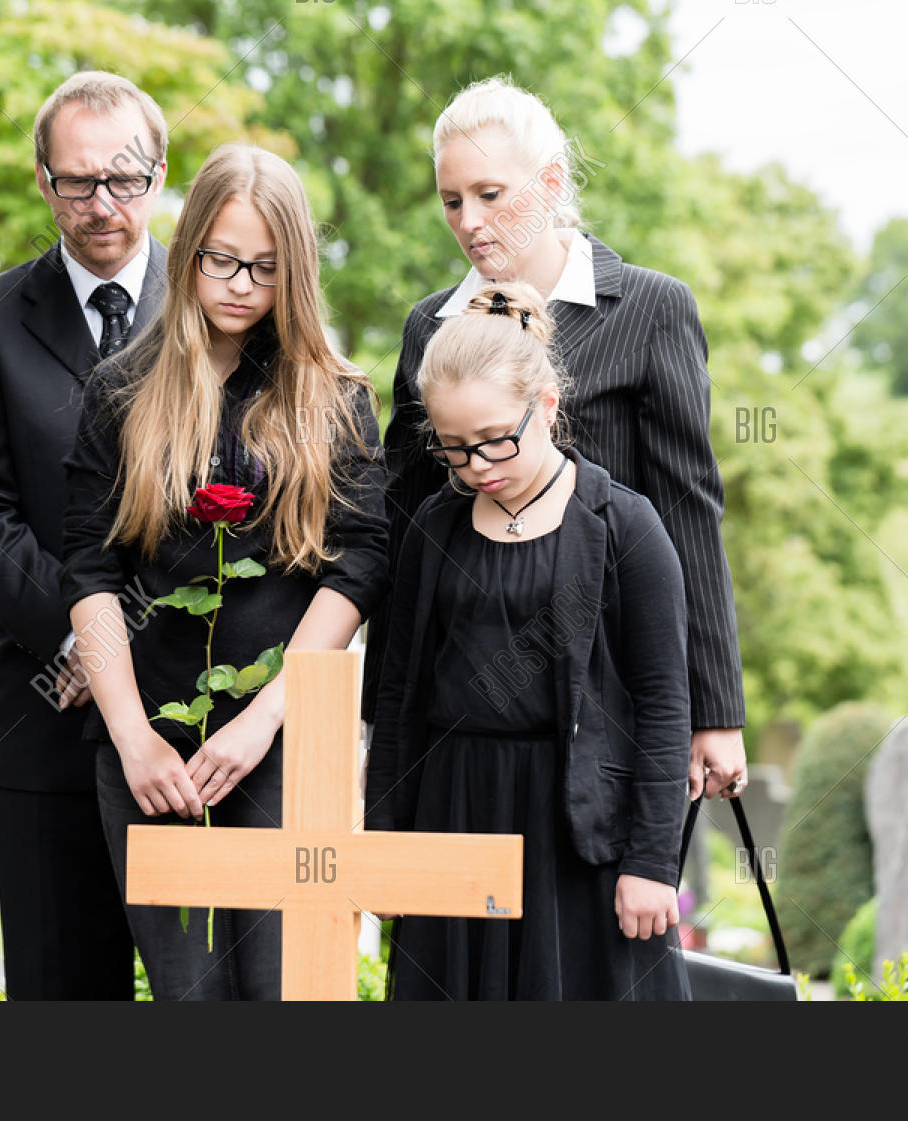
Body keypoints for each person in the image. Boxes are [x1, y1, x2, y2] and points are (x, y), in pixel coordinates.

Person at [59, 143, 389, 1000]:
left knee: (288, 991)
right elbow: (89, 571)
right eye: (223, 260)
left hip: (283, 744)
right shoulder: (120, 390)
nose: (242, 283)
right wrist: (133, 736)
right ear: (188, 250)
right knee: (189, 997)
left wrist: (266, 720)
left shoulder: (333, 394)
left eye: (267, 267)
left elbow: (358, 566)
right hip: (151, 749)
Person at [365, 76, 748, 802]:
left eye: (490, 194)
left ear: (549, 183)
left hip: (614, 691)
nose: (470, 221)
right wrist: (376, 722)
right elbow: (405, 529)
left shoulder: (651, 308)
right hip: (465, 707)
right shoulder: (428, 330)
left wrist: (716, 710)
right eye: (452, 201)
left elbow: (689, 512)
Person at [364, 281, 692, 1001]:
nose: (479, 466)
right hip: (455, 809)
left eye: (496, 440)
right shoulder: (433, 526)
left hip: (574, 826)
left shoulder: (625, 527)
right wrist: (383, 833)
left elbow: (666, 704)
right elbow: (399, 693)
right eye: (455, 450)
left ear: (546, 404)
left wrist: (652, 861)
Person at [0, 72, 171, 1000]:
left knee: (218, 989)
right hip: (52, 710)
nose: (102, 205)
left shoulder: (223, 312)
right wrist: (81, 635)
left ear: (159, 172)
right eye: (78, 183)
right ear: (44, 181)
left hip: (200, 709)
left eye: (124, 179)